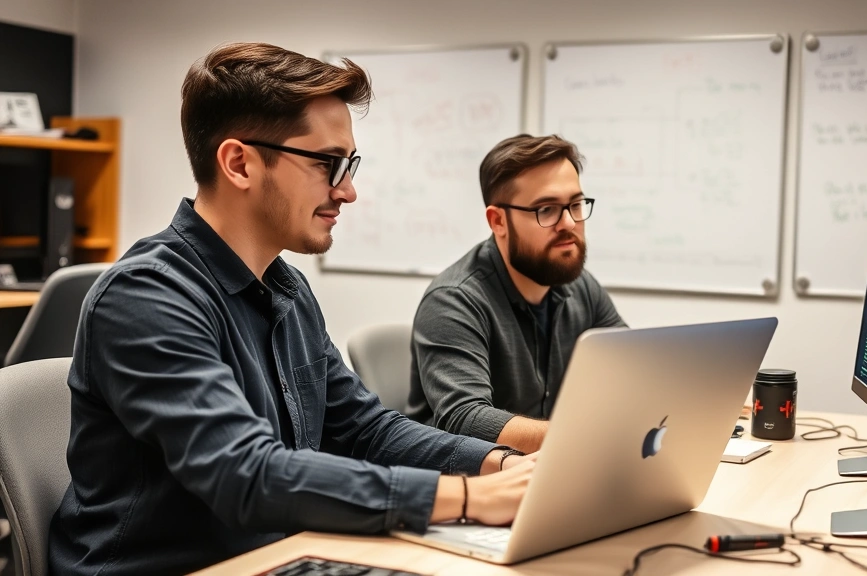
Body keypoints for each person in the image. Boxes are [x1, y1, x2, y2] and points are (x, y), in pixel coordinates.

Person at [47, 43, 534, 576]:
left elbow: (365, 432)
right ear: (239, 164)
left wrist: (504, 467)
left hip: (275, 559)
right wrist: (468, 498)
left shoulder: (286, 289)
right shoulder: (145, 296)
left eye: (349, 165)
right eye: (328, 164)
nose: (348, 191)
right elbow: (246, 474)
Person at [407, 134, 627, 453]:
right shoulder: (453, 300)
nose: (568, 223)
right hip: (468, 476)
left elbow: (630, 371)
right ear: (498, 221)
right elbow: (466, 419)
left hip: (553, 466)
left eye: (576, 205)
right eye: (547, 210)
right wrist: (587, 437)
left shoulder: (579, 285)